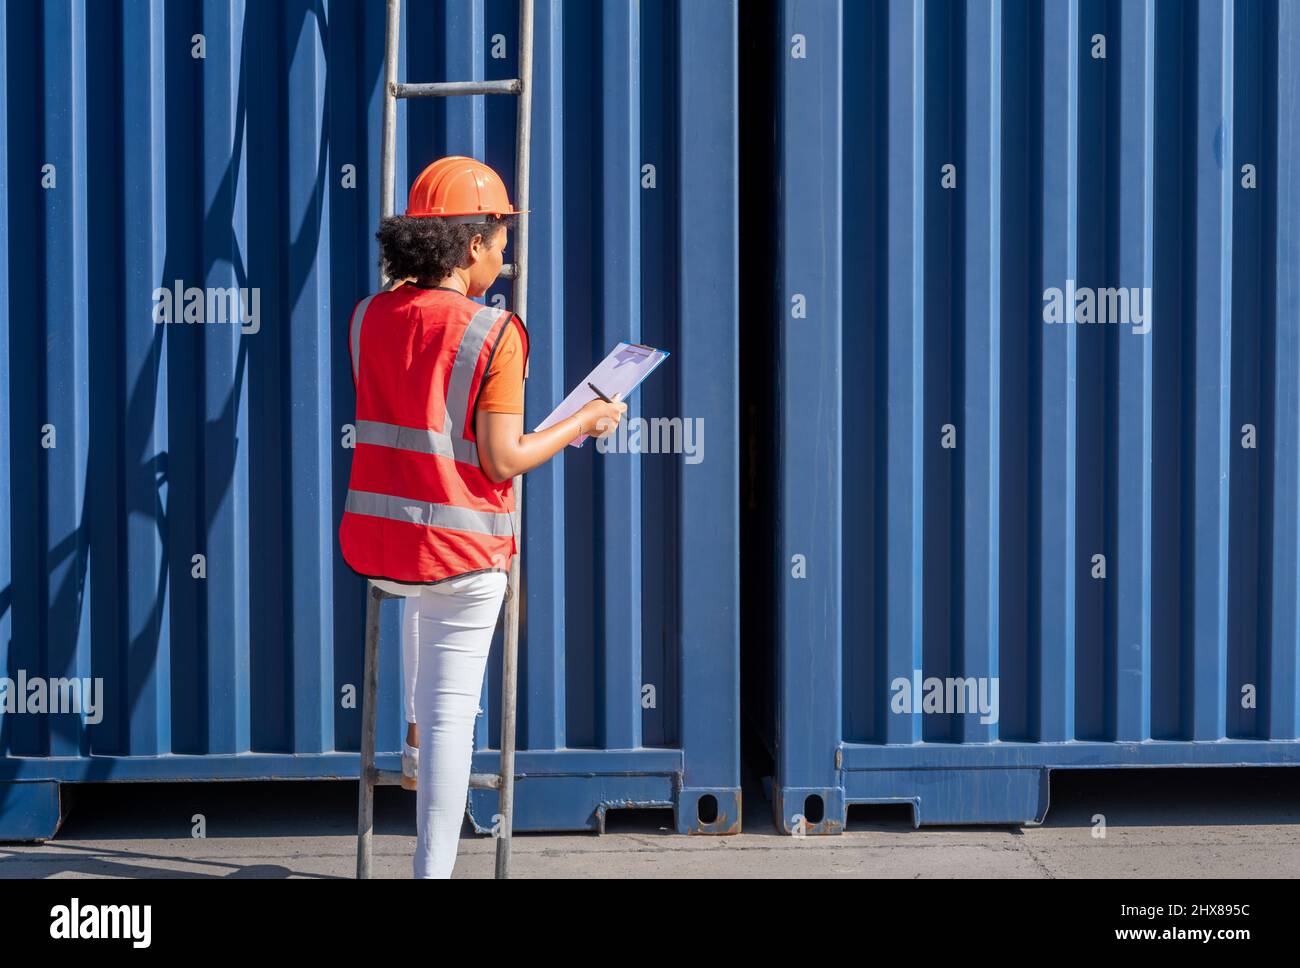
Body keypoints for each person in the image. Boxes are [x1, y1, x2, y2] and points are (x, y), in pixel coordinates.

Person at [339, 156, 625, 878]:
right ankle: (431, 870)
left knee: (416, 602)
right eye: (502, 238)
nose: (509, 253)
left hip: (385, 545)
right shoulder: (494, 333)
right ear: (471, 246)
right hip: (463, 553)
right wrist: (585, 419)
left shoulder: (367, 317)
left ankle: (405, 743)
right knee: (450, 721)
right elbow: (501, 460)